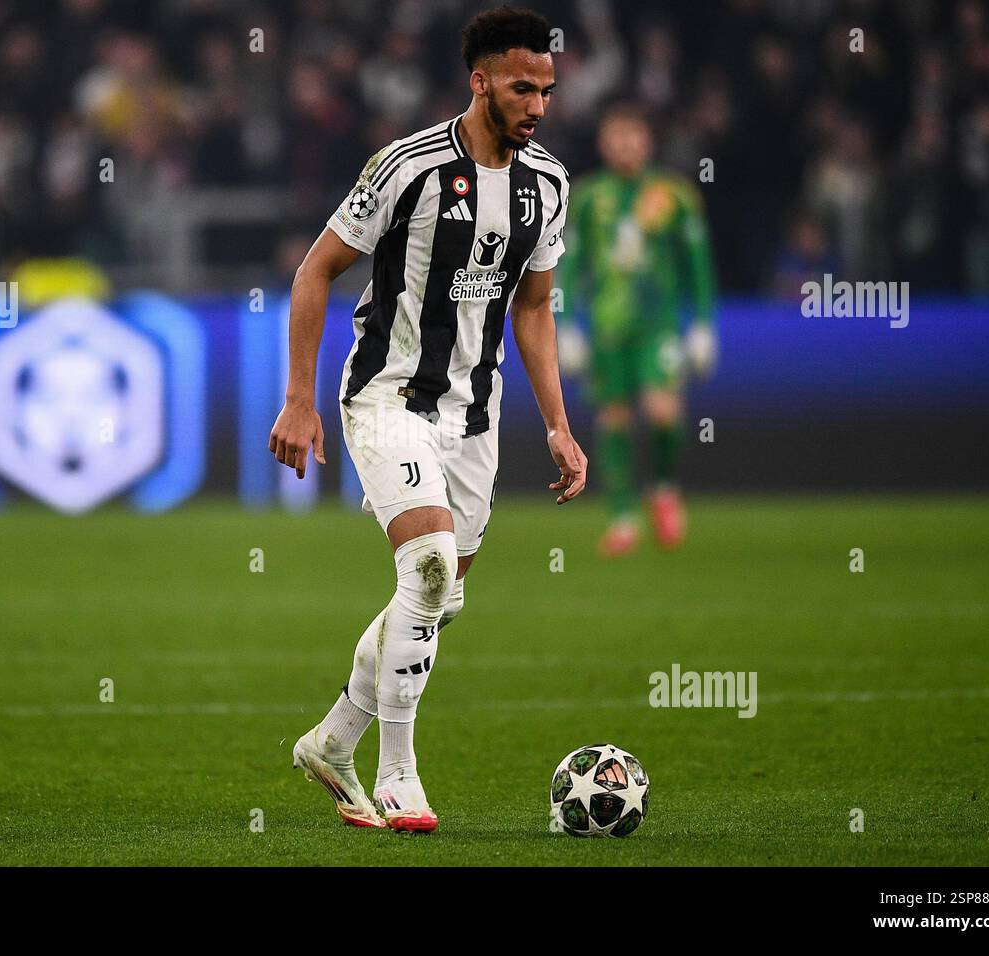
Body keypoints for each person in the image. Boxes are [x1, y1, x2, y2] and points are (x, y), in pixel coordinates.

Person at [268, 5, 586, 832]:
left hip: (475, 418)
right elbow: (314, 272)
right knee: (433, 568)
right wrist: (299, 399)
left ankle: (331, 740)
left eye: (548, 90)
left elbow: (536, 309)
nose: (539, 105)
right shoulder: (404, 167)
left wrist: (557, 424)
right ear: (479, 82)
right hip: (387, 397)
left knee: (435, 601)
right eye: (523, 87)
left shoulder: (546, 185)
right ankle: (399, 772)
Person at [558, 105, 717, 556]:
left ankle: (663, 488)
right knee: (614, 418)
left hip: (658, 326)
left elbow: (699, 265)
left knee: (663, 411)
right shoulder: (588, 197)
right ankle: (623, 517)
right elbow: (571, 265)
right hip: (608, 328)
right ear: (603, 143)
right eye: (616, 137)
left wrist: (703, 325)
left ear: (648, 141)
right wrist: (567, 325)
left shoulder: (674, 195)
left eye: (633, 136)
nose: (625, 146)